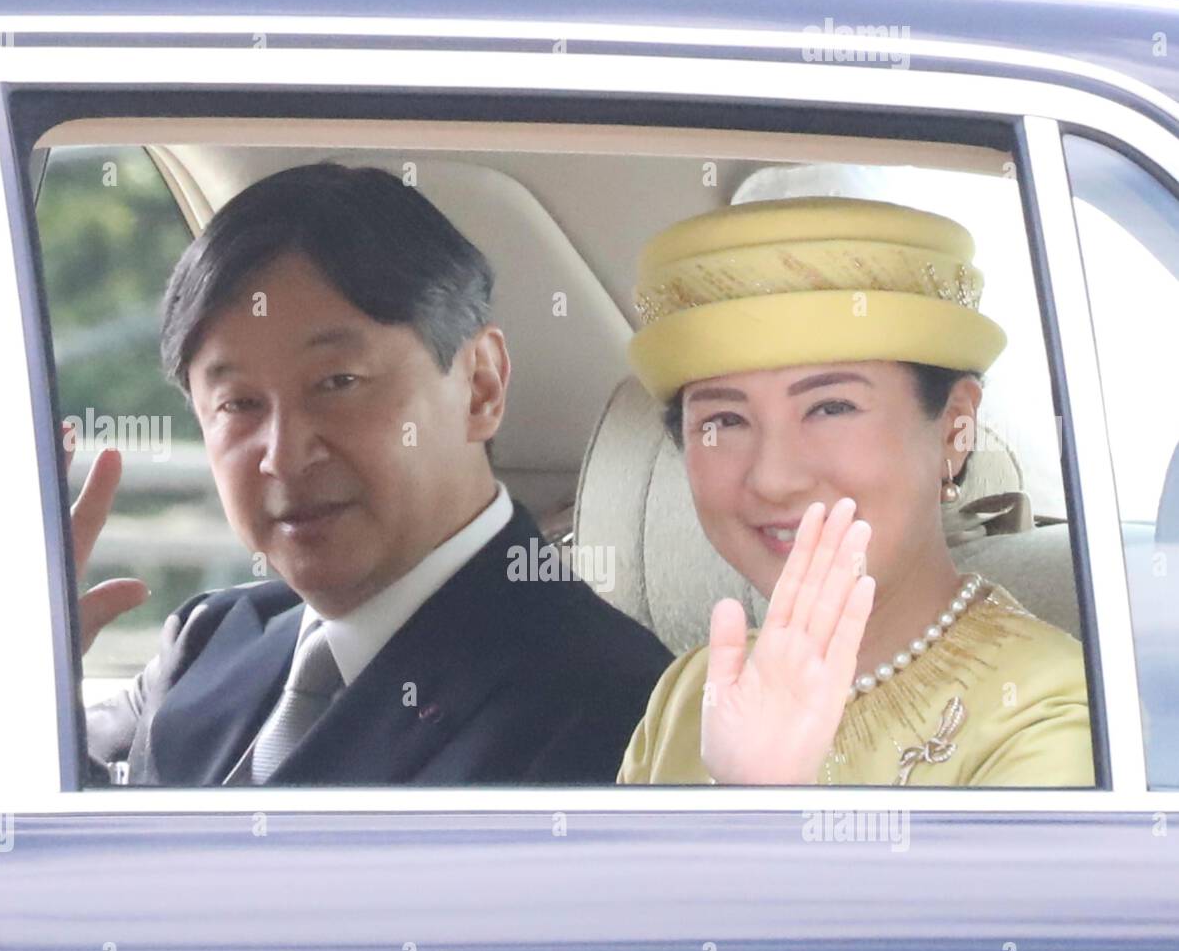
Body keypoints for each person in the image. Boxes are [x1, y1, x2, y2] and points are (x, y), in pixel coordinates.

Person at [78, 162, 672, 787]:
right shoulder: (208, 641)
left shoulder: (613, 713)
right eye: (238, 405)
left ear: (480, 385)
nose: (283, 455)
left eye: (338, 383)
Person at [616, 195, 1094, 787]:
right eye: (727, 420)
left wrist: (763, 794)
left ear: (953, 428)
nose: (774, 477)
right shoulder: (691, 693)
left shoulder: (1047, 713)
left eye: (831, 407)